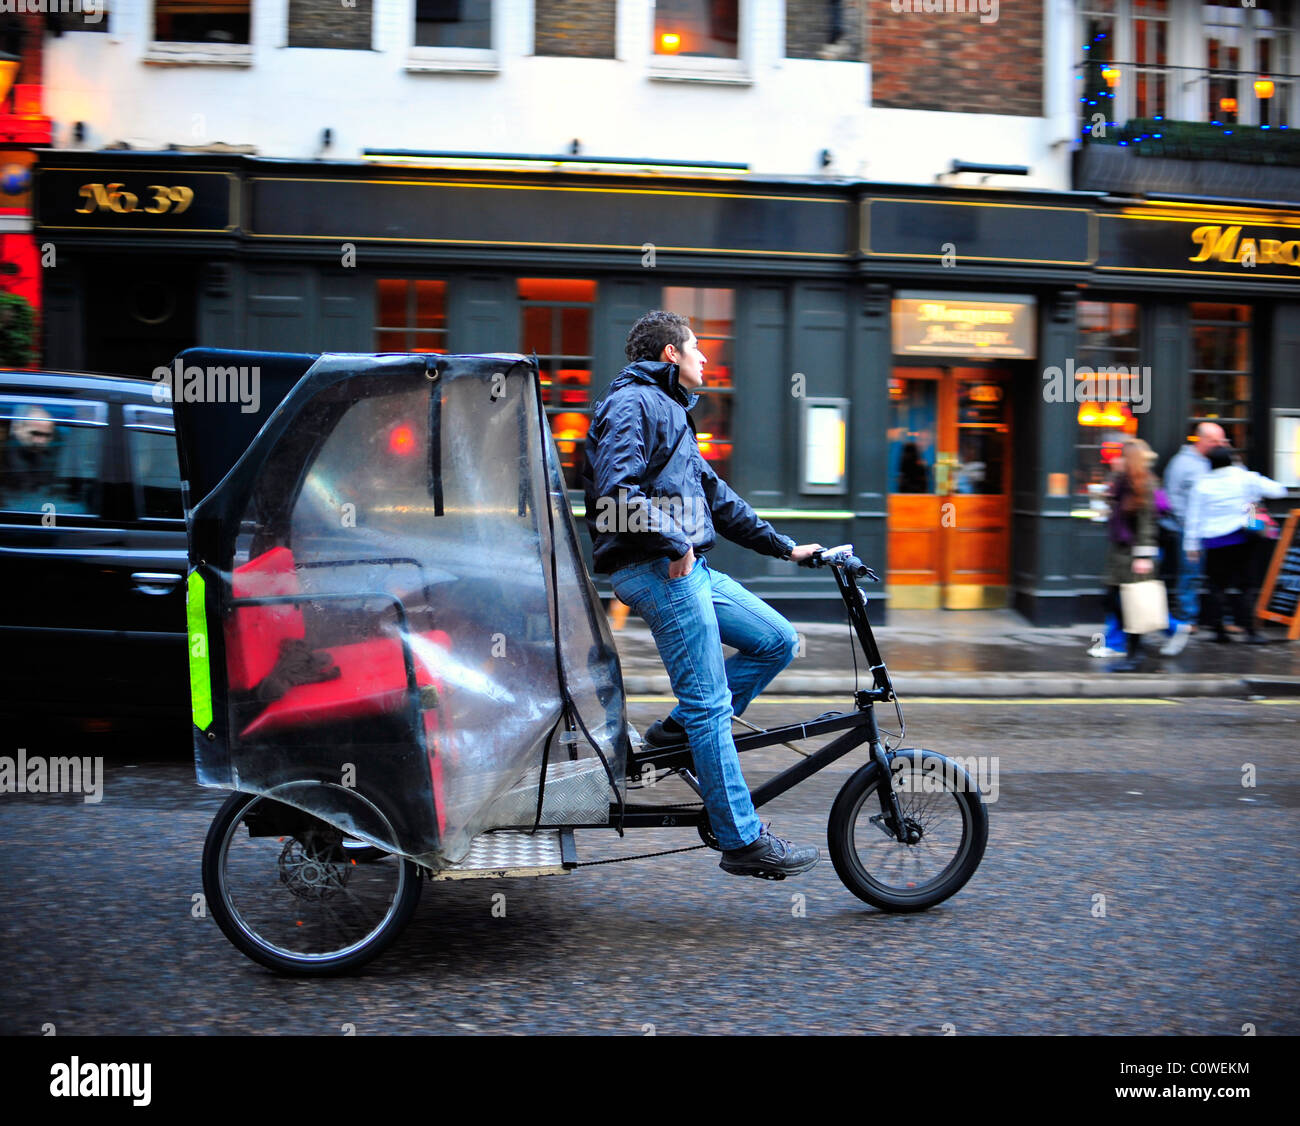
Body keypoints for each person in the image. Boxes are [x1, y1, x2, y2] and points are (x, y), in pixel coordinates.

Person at [583, 310, 823, 880]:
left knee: (776, 640)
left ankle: (677, 736)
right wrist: (674, 546)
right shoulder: (631, 405)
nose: (706, 358)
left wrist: (787, 548)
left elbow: (719, 500)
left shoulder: (672, 413)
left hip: (688, 568)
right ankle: (742, 839)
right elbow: (615, 494)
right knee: (711, 705)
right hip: (659, 570)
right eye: (697, 348)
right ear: (671, 354)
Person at [1184, 445, 1288, 644]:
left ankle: (1219, 631)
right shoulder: (1244, 477)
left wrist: (1191, 546)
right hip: (1241, 538)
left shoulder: (1202, 484)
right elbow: (1278, 490)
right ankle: (1250, 630)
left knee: (1216, 586)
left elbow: (1193, 517)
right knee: (1246, 585)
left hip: (1213, 541)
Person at [1161, 422, 1226, 646]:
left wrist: (1249, 521)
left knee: (1220, 576)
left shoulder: (1225, 461)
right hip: (1192, 531)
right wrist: (1185, 523)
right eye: (1215, 441)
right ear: (1201, 440)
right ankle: (1188, 619)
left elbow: (1247, 488)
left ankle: (1220, 620)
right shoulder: (1182, 463)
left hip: (1223, 530)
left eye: (1222, 441)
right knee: (1191, 574)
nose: (1220, 445)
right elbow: (1172, 496)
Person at [1104, 438, 1162, 673]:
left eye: (1120, 455)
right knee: (1111, 600)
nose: (1115, 459)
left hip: (1134, 555)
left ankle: (1134, 654)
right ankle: (1134, 651)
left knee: (1132, 606)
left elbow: (1147, 523)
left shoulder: (1144, 485)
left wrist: (1144, 556)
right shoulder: (1122, 482)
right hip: (1119, 552)